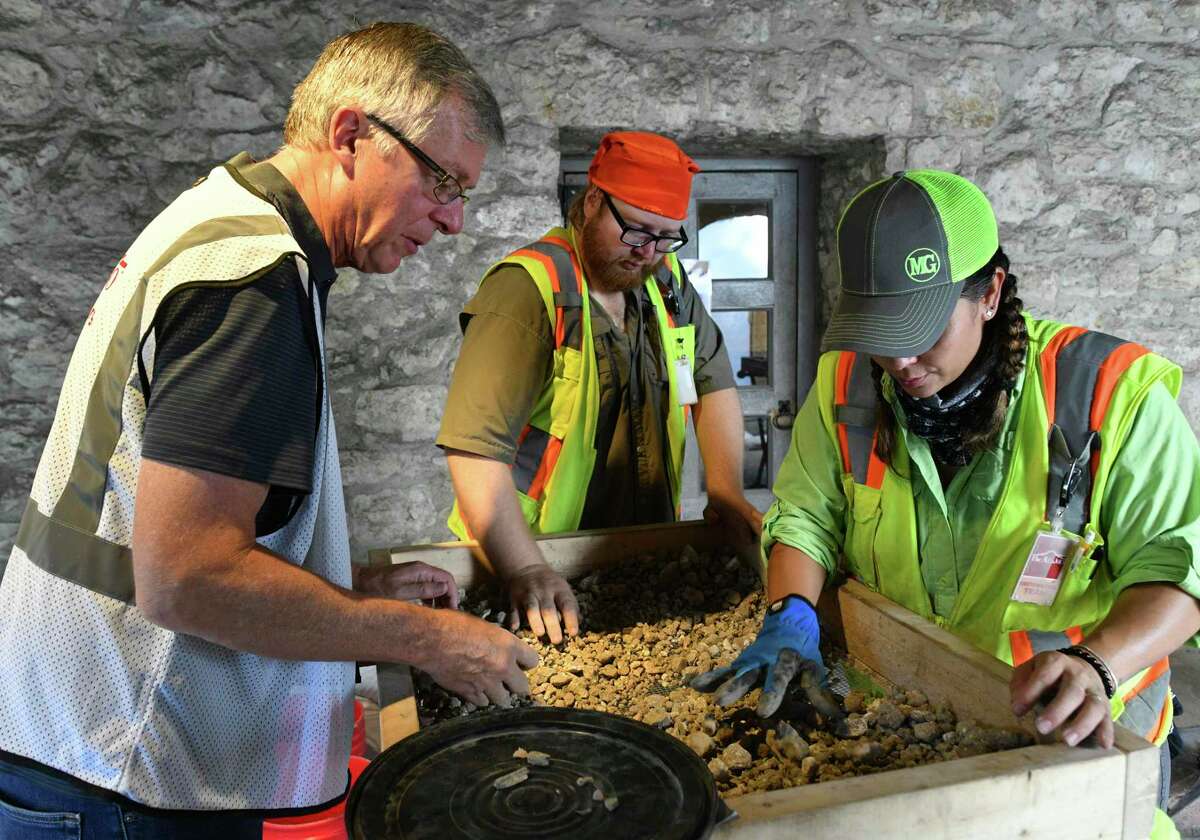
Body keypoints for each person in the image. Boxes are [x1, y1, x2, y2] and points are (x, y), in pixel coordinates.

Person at [0, 22, 536, 838]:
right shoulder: (247, 284)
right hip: (119, 768)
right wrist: (425, 638)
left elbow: (191, 522)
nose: (453, 220)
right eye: (441, 181)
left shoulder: (225, 219)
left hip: (77, 741)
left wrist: (346, 590)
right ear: (351, 135)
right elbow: (185, 577)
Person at [693, 169, 1200, 838]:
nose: (898, 357)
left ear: (989, 294)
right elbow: (807, 517)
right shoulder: (848, 382)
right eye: (880, 328)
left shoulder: (1110, 395)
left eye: (921, 327)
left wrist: (1095, 665)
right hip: (912, 739)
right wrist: (790, 615)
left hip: (1073, 746)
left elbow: (1176, 575)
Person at [437, 131, 762, 645]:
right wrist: (524, 568)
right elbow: (474, 449)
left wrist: (725, 490)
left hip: (636, 552)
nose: (648, 252)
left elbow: (712, 379)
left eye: (665, 237)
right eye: (635, 232)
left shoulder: (665, 281)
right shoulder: (528, 290)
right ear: (592, 202)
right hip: (532, 559)